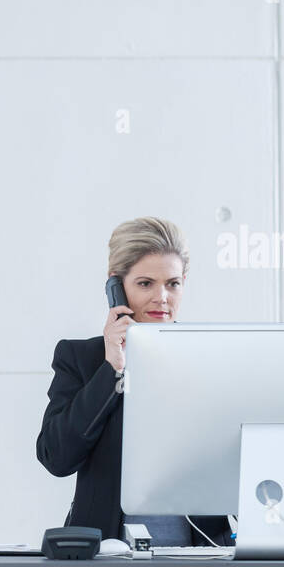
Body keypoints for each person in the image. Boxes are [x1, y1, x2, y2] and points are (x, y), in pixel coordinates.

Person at [35, 216, 232, 546]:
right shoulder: (81, 359)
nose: (162, 298)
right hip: (109, 556)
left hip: (200, 558)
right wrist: (112, 368)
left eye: (173, 283)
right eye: (145, 284)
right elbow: (56, 457)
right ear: (116, 286)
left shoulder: (209, 358)